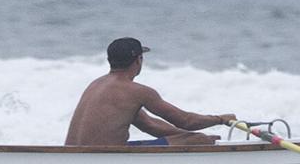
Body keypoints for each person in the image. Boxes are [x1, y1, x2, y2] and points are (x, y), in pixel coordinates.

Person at [65, 38, 235, 146]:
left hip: (73, 157)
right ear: (138, 60)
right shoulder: (137, 91)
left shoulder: (95, 84)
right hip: (105, 159)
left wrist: (190, 136)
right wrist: (220, 119)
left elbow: (150, 125)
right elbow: (186, 120)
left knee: (194, 138)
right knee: (195, 140)